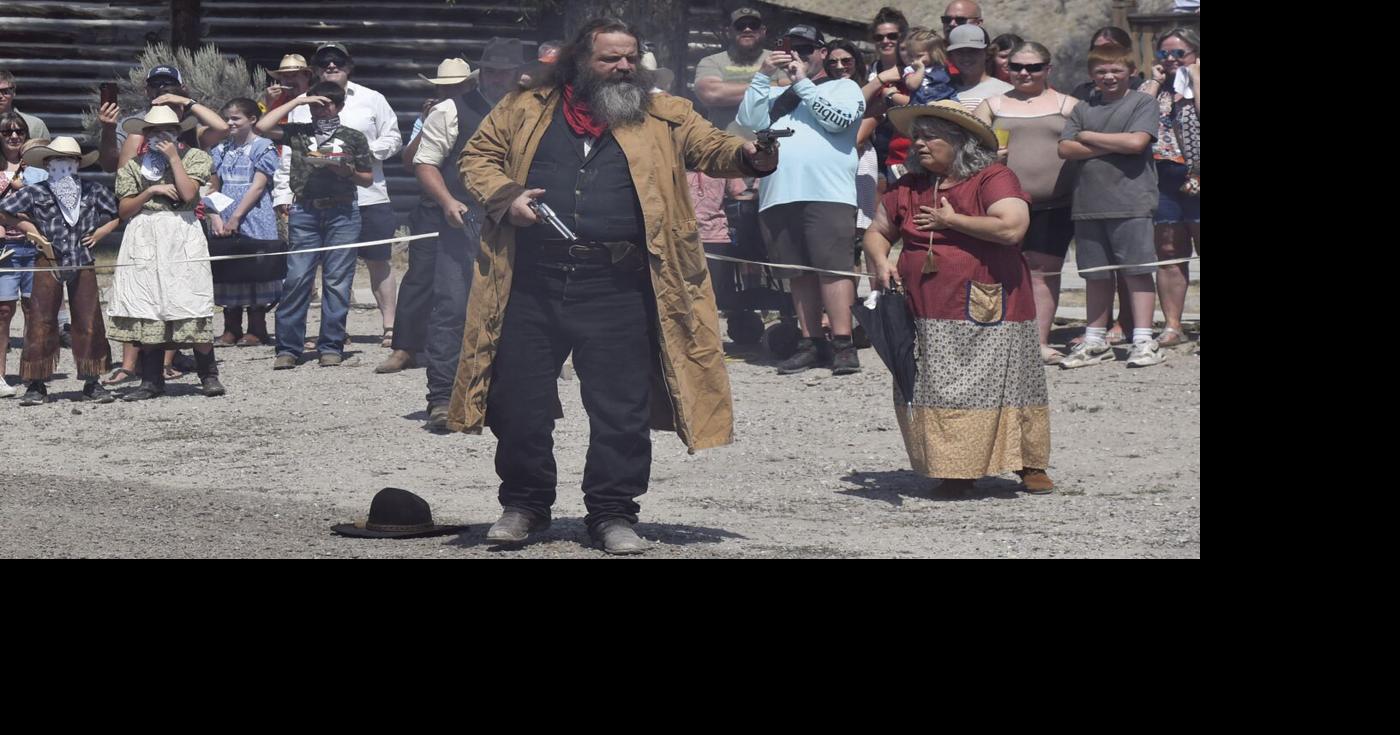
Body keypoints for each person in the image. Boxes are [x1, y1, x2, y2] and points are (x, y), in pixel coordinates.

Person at [448, 17, 778, 554]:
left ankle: (612, 514)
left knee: (621, 409)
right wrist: (506, 196)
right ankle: (526, 505)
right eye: (610, 58)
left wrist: (751, 156)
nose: (624, 67)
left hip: (618, 283)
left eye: (630, 57)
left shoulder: (665, 113)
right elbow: (476, 158)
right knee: (518, 402)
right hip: (530, 281)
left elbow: (716, 149)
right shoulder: (526, 106)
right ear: (581, 60)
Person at [864, 100, 1053, 495]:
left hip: (990, 300)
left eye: (931, 136)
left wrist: (953, 221)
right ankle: (956, 470)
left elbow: (1012, 227)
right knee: (936, 385)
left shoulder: (992, 178)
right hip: (926, 308)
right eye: (916, 136)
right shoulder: (907, 186)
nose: (919, 144)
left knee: (1008, 381)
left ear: (961, 141)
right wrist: (881, 261)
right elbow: (878, 232)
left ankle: (1028, 463)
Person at [737, 24, 866, 376]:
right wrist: (763, 76)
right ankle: (812, 344)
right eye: (792, 49)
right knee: (797, 272)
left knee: (833, 269)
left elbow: (838, 122)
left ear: (823, 53)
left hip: (827, 192)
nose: (799, 56)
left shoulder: (845, 86)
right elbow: (748, 120)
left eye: (807, 49)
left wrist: (803, 82)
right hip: (779, 192)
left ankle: (843, 343)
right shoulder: (778, 93)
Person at [407, 44, 519, 433]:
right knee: (452, 310)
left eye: (506, 71)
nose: (498, 77)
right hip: (465, 221)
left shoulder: (534, 109)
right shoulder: (450, 109)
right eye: (492, 70)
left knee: (515, 313)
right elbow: (425, 163)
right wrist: (447, 201)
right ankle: (442, 398)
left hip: (518, 224)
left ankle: (498, 397)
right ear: (481, 72)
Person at [285, 43, 402, 349]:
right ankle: (336, 332)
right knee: (325, 266)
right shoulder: (304, 102)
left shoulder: (372, 98)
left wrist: (360, 155)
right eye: (324, 61)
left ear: (349, 66)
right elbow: (290, 153)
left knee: (379, 260)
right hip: (318, 195)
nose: (332, 66)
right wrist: (283, 193)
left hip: (368, 193)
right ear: (316, 68)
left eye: (339, 61)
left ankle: (390, 326)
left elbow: (393, 137)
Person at [1057, 45, 1165, 369]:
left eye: (1116, 70)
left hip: (1132, 202)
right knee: (1095, 275)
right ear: (1092, 75)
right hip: (1088, 204)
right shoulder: (1082, 107)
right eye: (1101, 71)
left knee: (1137, 272)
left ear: (1130, 71)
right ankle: (1094, 339)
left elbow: (1136, 143)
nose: (1109, 76)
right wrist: (1112, 142)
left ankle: (1144, 338)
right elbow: (1064, 148)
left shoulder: (1142, 103)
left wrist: (1089, 137)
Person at [107, 108, 223, 400]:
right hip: (145, 233)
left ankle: (208, 374)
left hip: (181, 231)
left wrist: (174, 158)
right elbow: (123, 210)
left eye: (167, 129)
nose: (161, 135)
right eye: (154, 130)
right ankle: (151, 379)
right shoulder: (133, 166)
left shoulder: (195, 158)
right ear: (145, 134)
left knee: (190, 299)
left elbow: (187, 194)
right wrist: (149, 192)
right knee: (150, 302)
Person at [256, 82, 373, 370]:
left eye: (328, 103)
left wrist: (346, 171)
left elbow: (367, 177)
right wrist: (297, 101)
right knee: (297, 278)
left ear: (340, 106)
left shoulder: (353, 137)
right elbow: (261, 126)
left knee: (337, 280)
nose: (321, 108)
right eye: (316, 104)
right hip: (305, 210)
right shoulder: (299, 132)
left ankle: (331, 345)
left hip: (343, 210)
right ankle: (288, 347)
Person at [975, 42, 1079, 364]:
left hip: (1055, 202)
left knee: (1043, 273)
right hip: (1003, 202)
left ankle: (1039, 341)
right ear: (1007, 69)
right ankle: (998, 341)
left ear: (1048, 69)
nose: (1024, 73)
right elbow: (970, 150)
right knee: (997, 271)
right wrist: (990, 156)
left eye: (1033, 67)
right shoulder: (992, 104)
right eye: (1017, 66)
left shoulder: (1069, 105)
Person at [377, 56, 480, 376]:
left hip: (471, 202)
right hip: (433, 205)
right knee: (420, 274)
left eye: (455, 87)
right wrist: (426, 124)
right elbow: (411, 161)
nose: (449, 92)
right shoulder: (433, 115)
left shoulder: (481, 111)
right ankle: (405, 346)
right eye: (443, 87)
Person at [0, 137, 118, 405]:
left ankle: (92, 381)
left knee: (88, 319)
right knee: (41, 319)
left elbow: (116, 212)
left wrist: (101, 232)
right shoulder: (34, 191)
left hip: (82, 259)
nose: (62, 165)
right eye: (56, 160)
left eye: (68, 160)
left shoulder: (93, 190)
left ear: (77, 164)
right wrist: (31, 231)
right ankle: (36, 383)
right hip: (47, 259)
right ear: (47, 164)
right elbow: (4, 210)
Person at [204, 98, 282, 348]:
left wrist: (237, 216)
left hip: (254, 214)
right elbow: (212, 184)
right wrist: (215, 214)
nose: (230, 123)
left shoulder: (263, 147)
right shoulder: (220, 149)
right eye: (227, 118)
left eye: (236, 118)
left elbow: (258, 186)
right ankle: (231, 327)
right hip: (224, 212)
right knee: (230, 267)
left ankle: (257, 328)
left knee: (256, 268)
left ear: (252, 119)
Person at [1140, 28, 1199, 347]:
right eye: (1165, 54)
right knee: (1168, 253)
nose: (1173, 59)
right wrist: (1155, 80)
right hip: (1162, 176)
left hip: (1196, 174)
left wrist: (1196, 76)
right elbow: (1132, 115)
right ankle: (1173, 325)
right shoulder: (1157, 88)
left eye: (1180, 53)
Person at [694, 7, 788, 138]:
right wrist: (769, 84)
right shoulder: (711, 61)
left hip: (771, 146)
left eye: (753, 25)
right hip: (725, 146)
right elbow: (712, 93)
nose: (747, 29)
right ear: (729, 32)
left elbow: (787, 93)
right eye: (740, 26)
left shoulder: (778, 58)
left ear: (763, 31)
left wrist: (729, 89)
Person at [946, 24, 1013, 113]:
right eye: (959, 52)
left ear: (987, 53)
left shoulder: (1006, 91)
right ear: (951, 56)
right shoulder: (942, 91)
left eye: (973, 51)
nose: (966, 57)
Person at [0, 70, 50, 141]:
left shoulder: (34, 126)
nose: (0, 96)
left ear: (13, 92)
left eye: (5, 91)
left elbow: (45, 152)